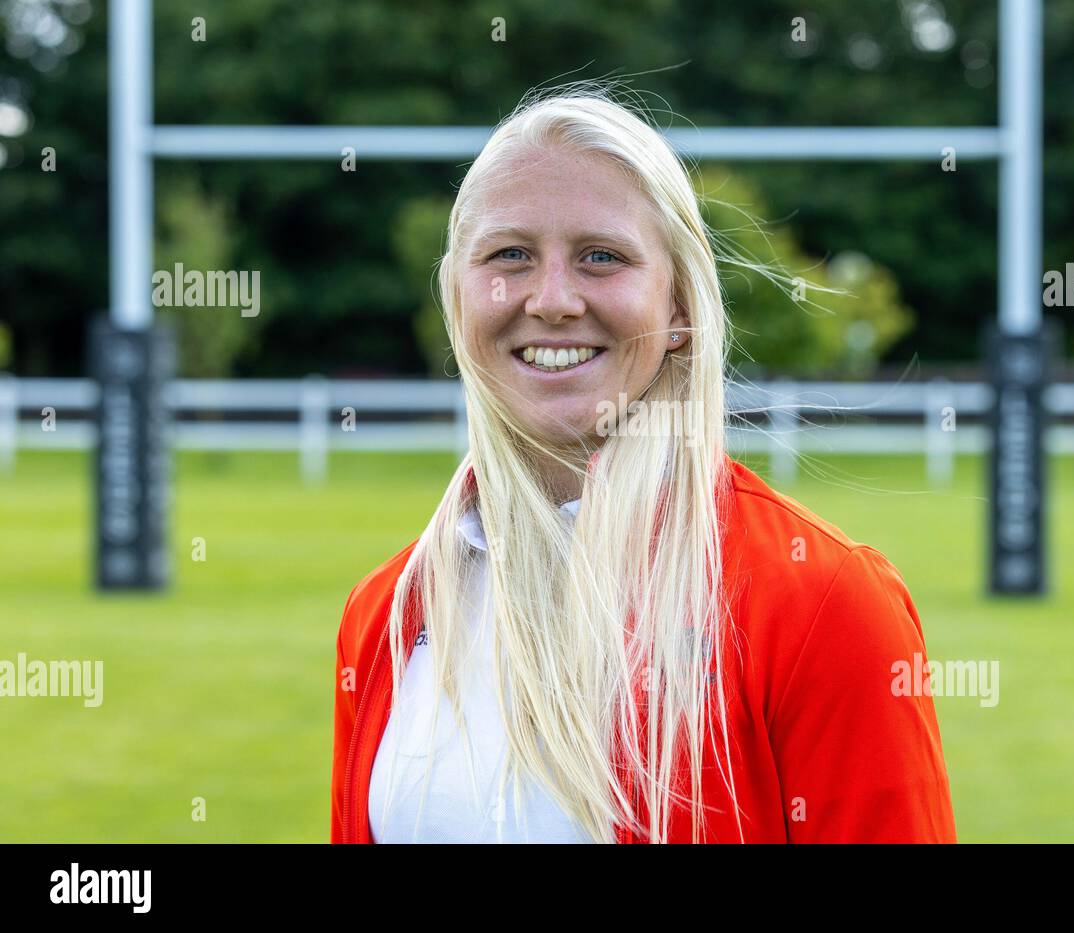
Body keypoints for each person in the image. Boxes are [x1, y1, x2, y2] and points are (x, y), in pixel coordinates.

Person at [331, 83, 957, 844]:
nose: (552, 299)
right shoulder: (388, 616)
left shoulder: (822, 601)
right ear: (458, 298)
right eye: (509, 255)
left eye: (602, 256)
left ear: (680, 312)